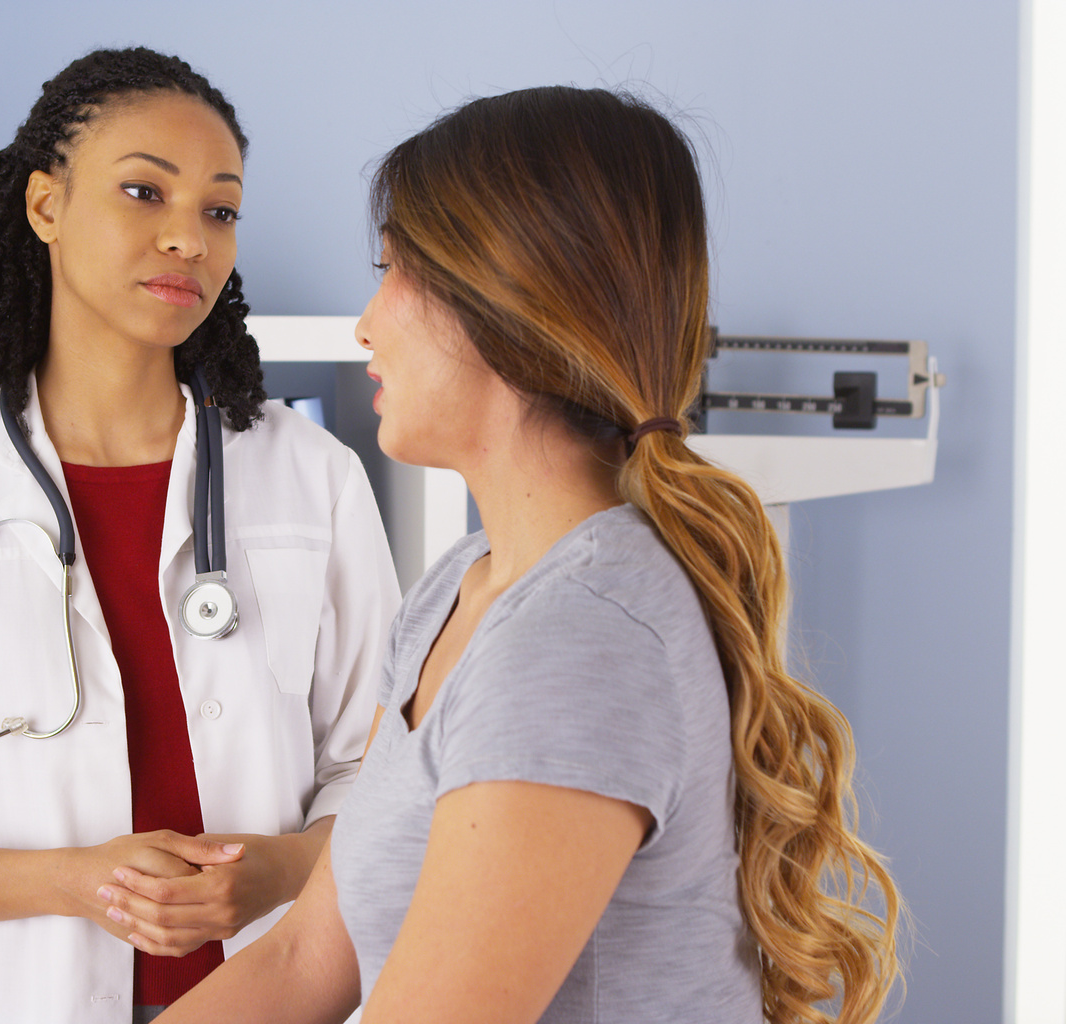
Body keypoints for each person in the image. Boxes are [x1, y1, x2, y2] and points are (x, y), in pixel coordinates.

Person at [137, 86, 903, 1024]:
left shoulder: (579, 636)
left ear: (501, 303)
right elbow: (303, 961)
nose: (367, 323)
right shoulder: (459, 591)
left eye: (394, 273)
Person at [0, 47, 399, 1024]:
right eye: (142, 192)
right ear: (45, 206)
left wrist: (273, 872)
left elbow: (385, 778)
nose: (188, 239)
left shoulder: (312, 480)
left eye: (218, 208)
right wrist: (78, 880)